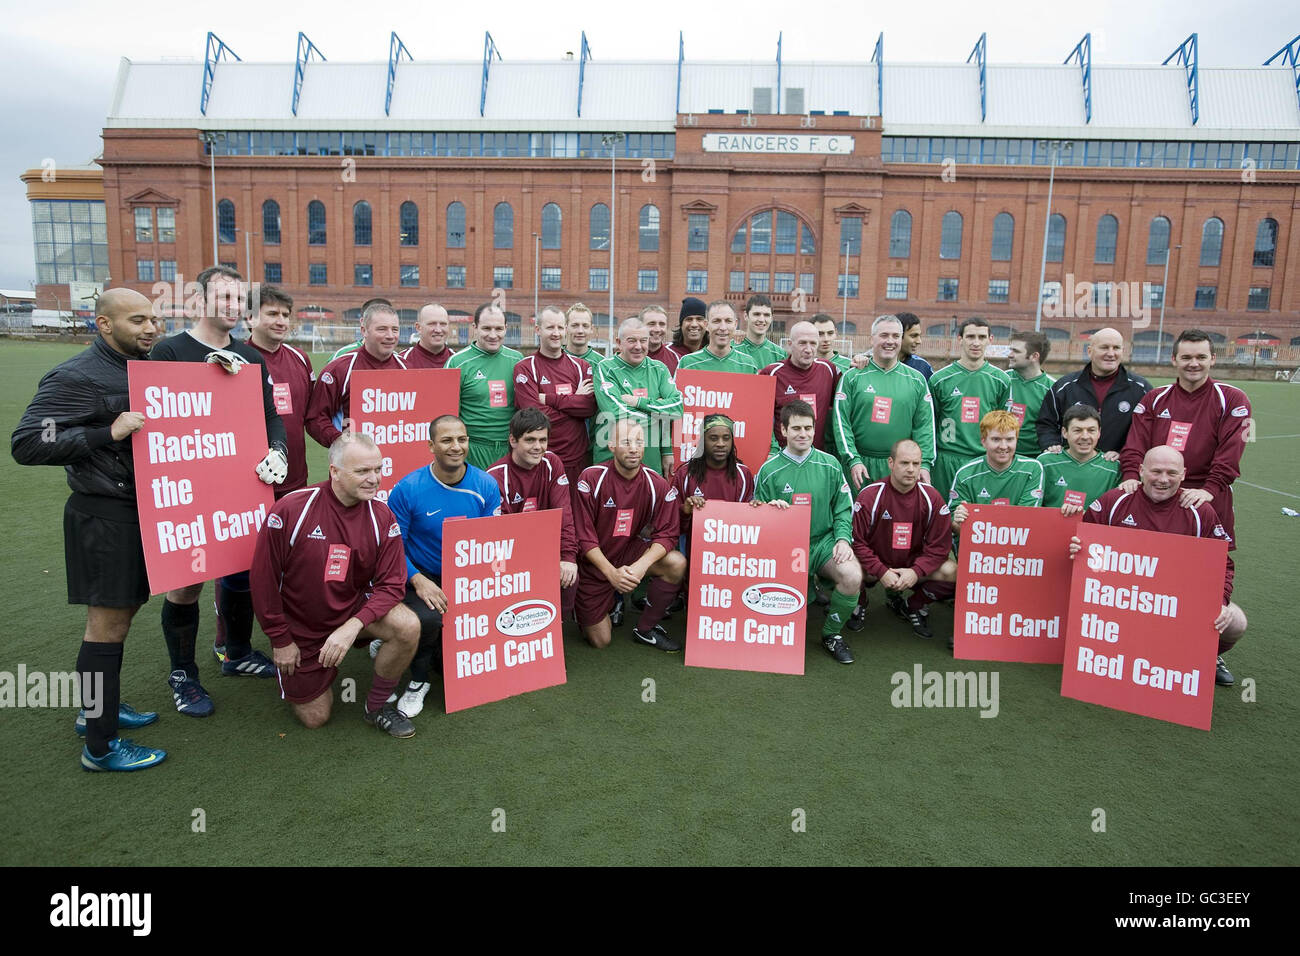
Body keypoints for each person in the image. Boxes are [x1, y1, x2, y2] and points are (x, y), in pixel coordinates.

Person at [11, 288, 167, 771]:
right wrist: (106, 433)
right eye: (138, 320)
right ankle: (101, 746)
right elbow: (30, 441)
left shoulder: (144, 366)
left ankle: (95, 709)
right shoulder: (77, 374)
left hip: (138, 511)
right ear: (104, 325)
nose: (150, 329)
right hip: (104, 515)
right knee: (106, 625)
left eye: (155, 320)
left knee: (122, 615)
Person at [149, 265, 290, 715]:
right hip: (189, 489)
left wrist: (279, 450)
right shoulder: (169, 352)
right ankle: (183, 676)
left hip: (241, 486)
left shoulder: (252, 359)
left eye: (237, 300)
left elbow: (270, 415)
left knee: (241, 571)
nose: (232, 307)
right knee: (187, 585)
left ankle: (237, 653)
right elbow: (154, 423)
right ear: (199, 301)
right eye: (223, 298)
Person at [250, 433, 420, 736]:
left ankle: (378, 706)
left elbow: (392, 585)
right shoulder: (291, 510)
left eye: (378, 470)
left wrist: (353, 625)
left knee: (408, 625)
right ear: (334, 472)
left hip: (349, 610)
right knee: (316, 717)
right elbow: (263, 580)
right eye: (362, 471)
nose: (374, 479)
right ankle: (315, 669)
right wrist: (280, 639)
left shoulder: (381, 515)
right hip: (301, 626)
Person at [1074, 445, 1246, 686]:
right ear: (1141, 471)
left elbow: (1223, 565)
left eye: (1171, 473)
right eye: (1156, 471)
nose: (1163, 480)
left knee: (1236, 622)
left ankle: (1207, 657)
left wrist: (1222, 602)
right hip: (1121, 600)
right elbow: (1084, 543)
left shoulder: (1200, 512)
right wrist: (1077, 548)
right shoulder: (1115, 501)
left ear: (1184, 474)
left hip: (1175, 604)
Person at [212, 284, 316, 665]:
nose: (281, 321)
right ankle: (228, 642)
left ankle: (288, 629)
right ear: (251, 317)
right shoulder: (233, 358)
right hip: (247, 483)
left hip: (295, 479)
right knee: (239, 561)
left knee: (288, 558)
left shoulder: (300, 359)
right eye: (272, 314)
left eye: (285, 315)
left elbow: (310, 418)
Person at [385, 415, 502, 716]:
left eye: (461, 439)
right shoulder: (407, 488)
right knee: (430, 619)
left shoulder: (486, 485)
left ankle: (412, 648)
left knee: (450, 666)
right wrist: (417, 579)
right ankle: (418, 682)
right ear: (431, 446)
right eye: (447, 440)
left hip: (466, 575)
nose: (456, 446)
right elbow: (392, 546)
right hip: (420, 574)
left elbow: (493, 540)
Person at [1119, 329, 1251, 547]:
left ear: (1213, 359)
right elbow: (1135, 443)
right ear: (1174, 360)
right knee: (1146, 555)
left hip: (1204, 493)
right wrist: (1131, 475)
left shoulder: (1233, 399)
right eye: (1186, 357)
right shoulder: (1154, 398)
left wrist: (1209, 490)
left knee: (1206, 564)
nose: (1194, 364)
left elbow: (1231, 452)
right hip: (1158, 491)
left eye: (1201, 357)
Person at [755, 401, 862, 664]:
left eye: (808, 428)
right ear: (783, 430)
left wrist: (842, 539)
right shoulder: (768, 471)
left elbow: (842, 507)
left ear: (814, 430)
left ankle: (831, 634)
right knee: (791, 616)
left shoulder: (831, 464)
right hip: (785, 549)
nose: (802, 434)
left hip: (823, 542)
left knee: (852, 575)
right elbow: (756, 520)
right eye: (796, 428)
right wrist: (769, 510)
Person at [572, 420, 687, 652]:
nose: (634, 448)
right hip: (593, 564)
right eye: (626, 442)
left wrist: (640, 567)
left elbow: (668, 534)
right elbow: (583, 537)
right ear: (612, 446)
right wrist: (611, 574)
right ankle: (602, 603)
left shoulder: (657, 484)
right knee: (600, 641)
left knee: (676, 563)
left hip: (628, 552)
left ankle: (646, 629)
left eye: (639, 442)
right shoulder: (592, 478)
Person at [851, 439, 957, 644]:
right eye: (904, 463)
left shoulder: (932, 498)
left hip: (911, 564)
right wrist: (881, 571)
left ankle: (913, 605)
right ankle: (859, 602)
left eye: (916, 464)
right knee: (846, 566)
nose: (911, 470)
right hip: (875, 566)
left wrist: (916, 571)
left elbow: (940, 548)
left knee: (954, 572)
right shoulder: (870, 496)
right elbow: (857, 542)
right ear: (891, 463)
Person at [488, 409, 579, 622]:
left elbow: (563, 514)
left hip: (544, 547)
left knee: (569, 576)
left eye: (542, 440)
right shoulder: (495, 477)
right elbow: (502, 535)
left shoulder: (552, 463)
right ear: (513, 440)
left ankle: (555, 627)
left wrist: (567, 557)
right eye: (530, 440)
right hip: (508, 555)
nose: (538, 447)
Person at [831, 314, 935, 491]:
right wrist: (852, 459)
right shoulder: (853, 376)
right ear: (872, 339)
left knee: (897, 518)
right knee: (859, 517)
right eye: (884, 335)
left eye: (896, 336)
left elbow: (925, 426)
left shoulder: (916, 379)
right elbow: (841, 422)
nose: (890, 341)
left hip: (901, 467)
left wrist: (924, 463)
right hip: (861, 466)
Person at [306, 301, 409, 450]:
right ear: (364, 331)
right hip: (351, 465)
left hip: (396, 463)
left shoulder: (407, 368)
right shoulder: (340, 368)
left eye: (395, 329)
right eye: (382, 329)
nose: (390, 336)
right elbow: (315, 418)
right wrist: (343, 443)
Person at [928, 317, 1012, 498]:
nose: (976, 343)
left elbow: (1003, 425)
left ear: (991, 340)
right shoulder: (939, 379)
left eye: (982, 337)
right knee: (945, 516)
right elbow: (929, 423)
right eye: (970, 336)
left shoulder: (1001, 380)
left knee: (979, 516)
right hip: (946, 459)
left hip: (984, 459)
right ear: (960, 339)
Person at [512, 306, 596, 484]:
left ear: (566, 329)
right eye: (550, 327)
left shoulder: (581, 367)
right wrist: (574, 403)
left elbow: (588, 407)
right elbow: (532, 417)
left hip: (576, 459)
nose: (556, 333)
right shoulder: (525, 367)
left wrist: (548, 399)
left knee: (572, 512)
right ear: (538, 330)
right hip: (539, 458)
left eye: (560, 328)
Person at [1036, 327, 1151, 456]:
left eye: (1116, 348)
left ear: (1123, 351)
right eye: (1104, 347)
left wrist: (1123, 454)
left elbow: (1147, 432)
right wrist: (1051, 444)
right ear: (1090, 351)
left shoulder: (1141, 389)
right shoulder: (1065, 387)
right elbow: (1046, 423)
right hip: (1072, 465)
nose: (1111, 353)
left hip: (1117, 467)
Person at [592, 316, 682, 476]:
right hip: (611, 460)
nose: (638, 346)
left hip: (651, 460)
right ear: (618, 342)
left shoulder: (659, 369)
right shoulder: (605, 368)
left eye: (643, 341)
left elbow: (677, 409)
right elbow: (616, 413)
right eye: (632, 341)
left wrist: (638, 402)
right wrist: (658, 413)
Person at [445, 303, 525, 470]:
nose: (493, 335)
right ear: (475, 328)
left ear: (506, 328)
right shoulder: (458, 362)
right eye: (486, 328)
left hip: (510, 447)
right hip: (474, 448)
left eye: (498, 329)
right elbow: (448, 416)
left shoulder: (517, 359)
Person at [948, 410, 1045, 524]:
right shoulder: (965, 474)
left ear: (1016, 440)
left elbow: (1026, 520)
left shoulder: (1033, 469)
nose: (1003, 446)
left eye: (1009, 439)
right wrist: (959, 520)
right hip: (977, 540)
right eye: (996, 439)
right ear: (983, 442)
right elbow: (953, 523)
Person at [760, 320, 839, 453]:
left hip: (816, 456)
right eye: (802, 343)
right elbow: (760, 418)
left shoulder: (828, 370)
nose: (808, 349)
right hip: (782, 456)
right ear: (790, 344)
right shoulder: (771, 373)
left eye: (813, 343)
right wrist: (773, 450)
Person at [1040, 405, 1119, 511]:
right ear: (1064, 432)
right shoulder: (1045, 462)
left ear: (1099, 432)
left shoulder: (1113, 468)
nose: (1085, 436)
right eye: (1077, 430)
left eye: (1091, 430)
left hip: (1092, 527)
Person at [676, 301, 761, 375]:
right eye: (716, 321)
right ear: (706, 325)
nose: (723, 327)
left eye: (728, 321)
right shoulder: (687, 363)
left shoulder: (749, 364)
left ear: (735, 324)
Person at [1006, 330, 1055, 457]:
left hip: (1034, 459)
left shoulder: (1053, 389)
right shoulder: (1001, 380)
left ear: (1034, 356)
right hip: (999, 456)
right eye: (1010, 350)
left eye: (1016, 351)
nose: (1009, 355)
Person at [330, 297, 395, 360]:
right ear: (363, 323)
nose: (390, 336)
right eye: (381, 328)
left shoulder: (398, 359)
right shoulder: (341, 356)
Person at [733, 294, 786, 369]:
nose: (761, 319)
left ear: (771, 318)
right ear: (745, 316)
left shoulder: (780, 354)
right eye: (756, 314)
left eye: (766, 315)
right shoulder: (731, 348)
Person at [400, 302, 457, 369]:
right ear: (418, 327)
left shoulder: (459, 362)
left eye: (443, 324)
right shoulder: (402, 361)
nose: (438, 330)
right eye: (432, 324)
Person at [641, 304, 679, 375]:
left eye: (662, 324)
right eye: (652, 324)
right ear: (640, 326)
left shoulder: (676, 359)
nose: (657, 329)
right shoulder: (630, 358)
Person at [565, 302, 605, 367]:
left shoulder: (602, 364)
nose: (580, 331)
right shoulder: (554, 359)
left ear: (591, 329)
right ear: (566, 328)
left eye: (585, 326)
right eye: (575, 325)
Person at [669, 296, 708, 361]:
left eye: (699, 319)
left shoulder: (713, 354)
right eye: (689, 319)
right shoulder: (669, 352)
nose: (694, 324)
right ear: (681, 324)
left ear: (706, 324)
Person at [897, 313, 933, 380]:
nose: (919, 341)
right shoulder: (875, 365)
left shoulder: (923, 367)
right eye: (913, 336)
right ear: (898, 336)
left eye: (919, 336)